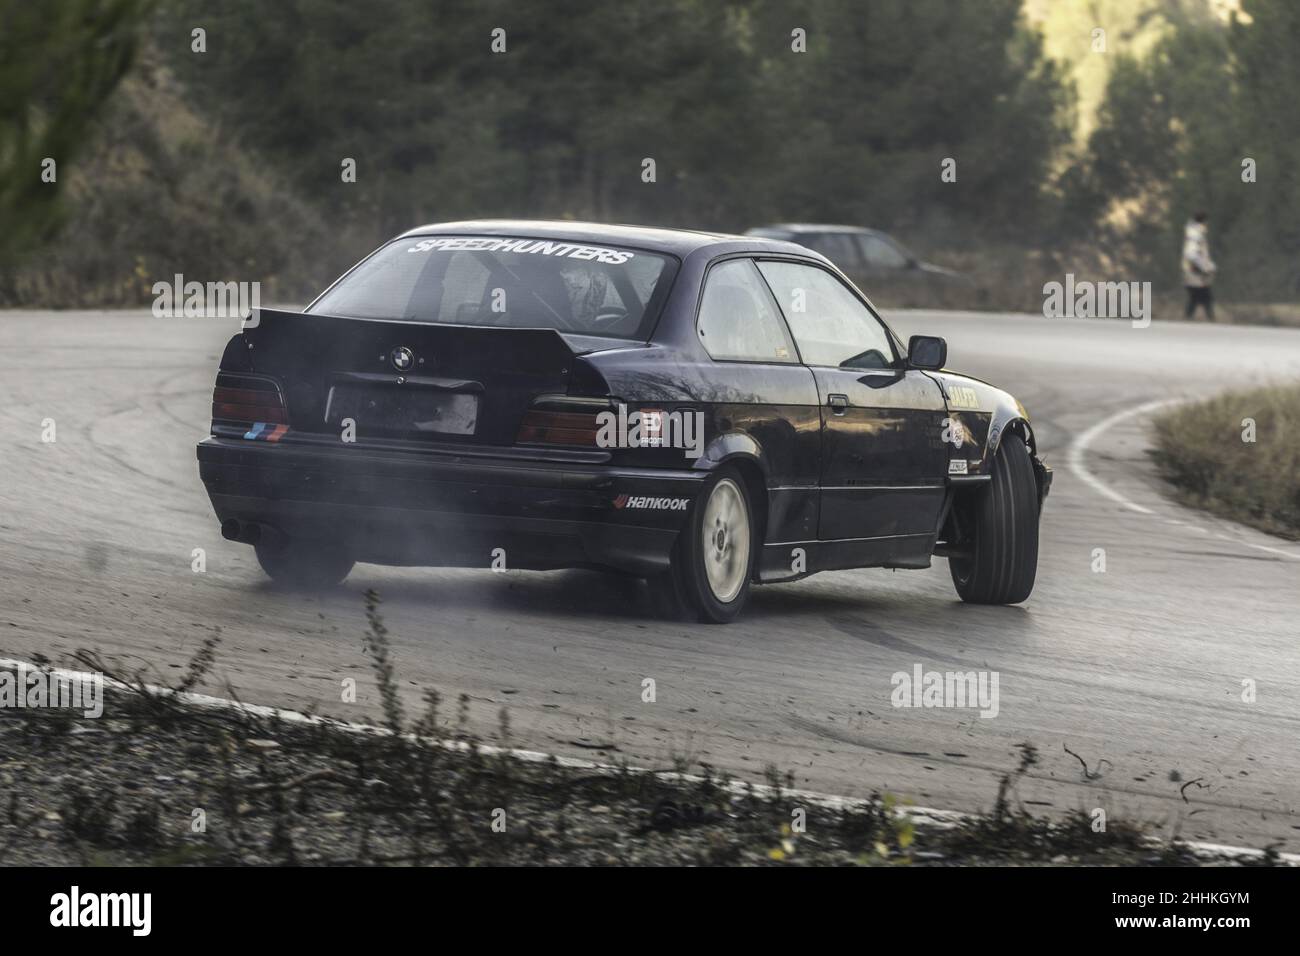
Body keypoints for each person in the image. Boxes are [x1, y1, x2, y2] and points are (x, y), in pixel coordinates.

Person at [1182, 211, 1216, 320]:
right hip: (1195, 272)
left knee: (1197, 298)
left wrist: (1209, 267)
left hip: (1195, 272)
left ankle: (1188, 318)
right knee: (1204, 297)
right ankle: (1211, 320)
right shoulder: (1195, 234)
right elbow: (1192, 255)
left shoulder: (1195, 233)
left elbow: (1202, 255)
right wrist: (1204, 268)